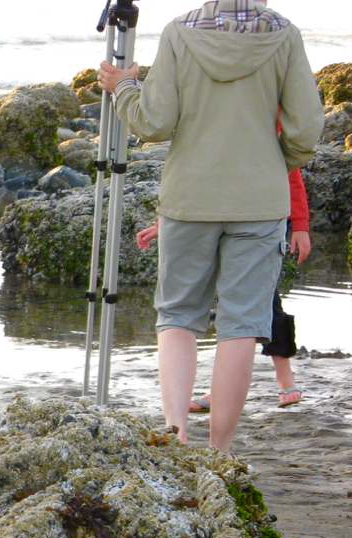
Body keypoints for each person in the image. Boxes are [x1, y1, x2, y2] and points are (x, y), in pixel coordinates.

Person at [99, 0, 324, 454]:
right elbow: (306, 128)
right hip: (260, 202)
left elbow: (155, 121)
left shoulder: (180, 32)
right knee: (241, 325)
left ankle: (176, 431)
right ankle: (220, 451)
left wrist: (125, 87)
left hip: (189, 197)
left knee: (179, 316)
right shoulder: (284, 34)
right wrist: (272, 164)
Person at [135, 168, 312, 409]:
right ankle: (220, 391)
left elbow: (291, 169)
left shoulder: (269, 129)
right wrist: (164, 221)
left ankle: (284, 375)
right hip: (204, 217)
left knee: (262, 302)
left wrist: (300, 224)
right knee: (221, 310)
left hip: (258, 217)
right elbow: (196, 168)